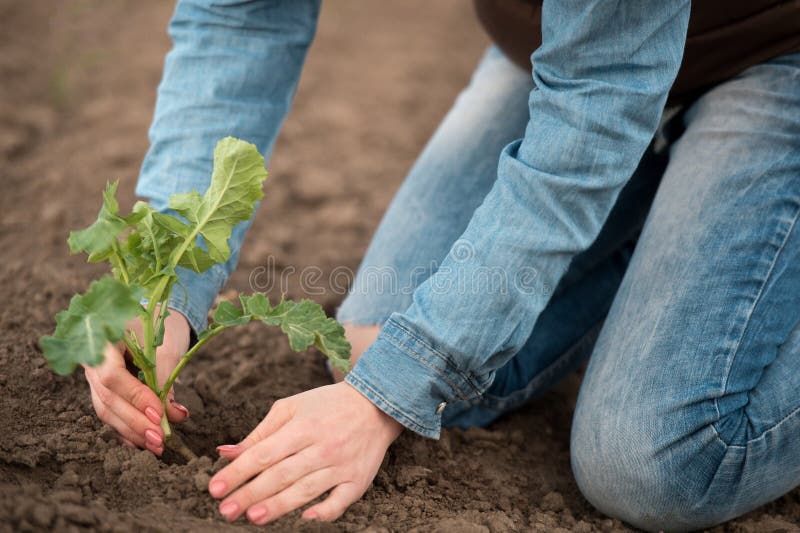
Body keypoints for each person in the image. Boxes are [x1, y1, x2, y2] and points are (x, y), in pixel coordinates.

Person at [82, 0, 800, 530]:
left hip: (760, 52)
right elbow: (241, 21)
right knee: (367, 343)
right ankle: (685, 214)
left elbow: (596, 108)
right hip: (562, 48)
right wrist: (162, 282)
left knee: (656, 463)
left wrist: (390, 390)